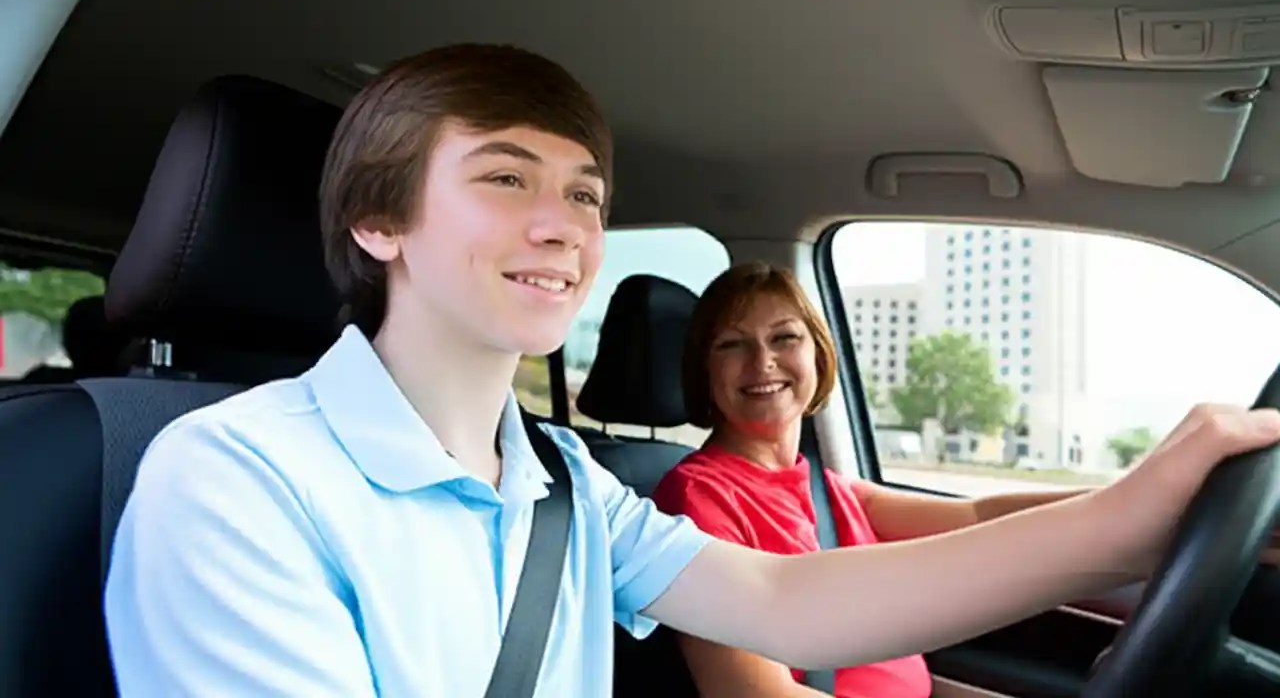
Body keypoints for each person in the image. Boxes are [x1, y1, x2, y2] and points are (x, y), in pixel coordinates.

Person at [103, 43, 1280, 697]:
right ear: (379, 222)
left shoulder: (563, 482)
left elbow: (782, 601)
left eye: (583, 195)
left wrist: (1127, 520)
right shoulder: (234, 480)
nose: (563, 225)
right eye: (505, 178)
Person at [652, 261, 1280, 697]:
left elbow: (977, 518)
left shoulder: (829, 489)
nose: (762, 361)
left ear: (819, 353)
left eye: (784, 337)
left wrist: (1151, 496)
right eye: (731, 345)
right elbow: (745, 691)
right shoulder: (696, 496)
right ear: (703, 371)